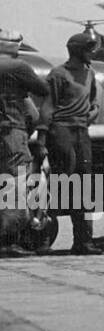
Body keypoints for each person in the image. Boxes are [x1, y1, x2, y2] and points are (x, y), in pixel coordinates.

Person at [39, 33, 103, 255]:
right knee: (60, 182)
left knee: (84, 185)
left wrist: (92, 112)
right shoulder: (58, 74)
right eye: (88, 48)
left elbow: (93, 102)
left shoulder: (90, 73)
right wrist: (42, 139)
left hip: (82, 133)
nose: (91, 52)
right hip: (62, 132)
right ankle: (44, 239)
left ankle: (83, 241)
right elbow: (48, 106)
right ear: (76, 50)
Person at [0, 30, 47, 257]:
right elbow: (44, 90)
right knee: (14, 183)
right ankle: (8, 242)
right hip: (11, 132)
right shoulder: (18, 67)